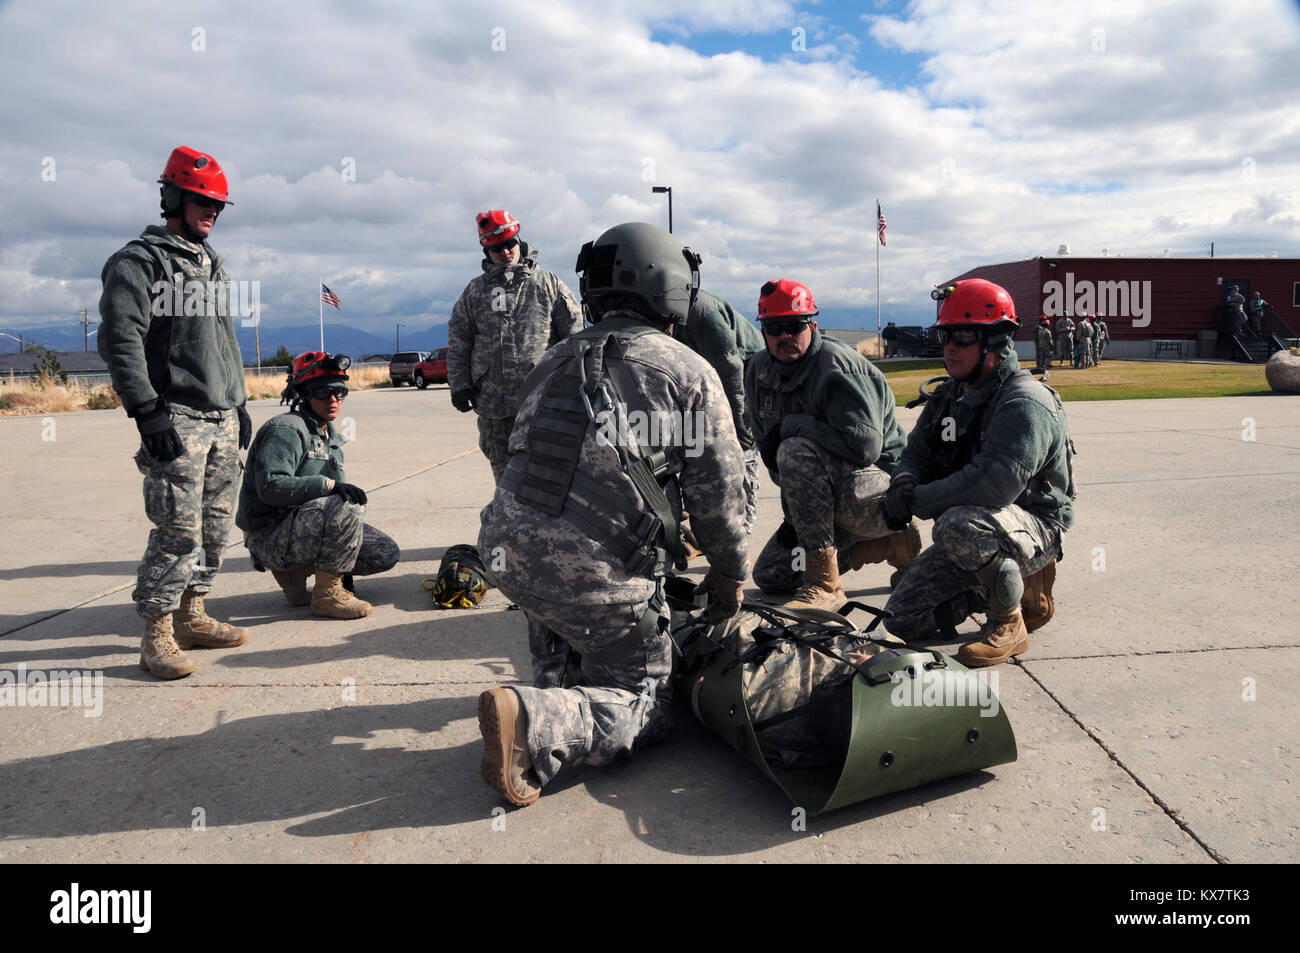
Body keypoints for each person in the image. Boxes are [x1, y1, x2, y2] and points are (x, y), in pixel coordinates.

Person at [476, 222, 749, 806]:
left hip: (511, 562)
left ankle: (558, 680)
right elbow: (721, 498)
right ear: (671, 285)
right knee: (650, 705)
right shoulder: (685, 370)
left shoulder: (552, 360)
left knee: (564, 600)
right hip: (593, 584)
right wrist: (729, 573)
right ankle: (535, 721)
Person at [97, 145, 251, 680]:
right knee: (177, 531)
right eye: (203, 202)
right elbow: (121, 340)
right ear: (173, 200)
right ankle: (156, 633)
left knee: (215, 528)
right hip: (177, 417)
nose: (213, 212)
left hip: (221, 417)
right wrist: (146, 410)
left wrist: (239, 400)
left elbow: (224, 341)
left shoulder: (212, 264)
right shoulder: (140, 262)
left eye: (218, 205)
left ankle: (192, 615)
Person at [881, 278, 1075, 667]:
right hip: (982, 527)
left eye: (964, 336)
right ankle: (1003, 587)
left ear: (996, 342)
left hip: (1034, 524)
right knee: (902, 619)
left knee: (955, 523)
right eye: (946, 335)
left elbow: (992, 485)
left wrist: (916, 501)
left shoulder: (1024, 402)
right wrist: (903, 482)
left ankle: (1009, 621)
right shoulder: (950, 395)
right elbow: (916, 451)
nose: (950, 346)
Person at [745, 279, 917, 611]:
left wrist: (797, 425)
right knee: (772, 575)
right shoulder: (758, 371)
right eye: (775, 328)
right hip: (823, 503)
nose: (785, 336)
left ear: (812, 326)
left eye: (795, 326)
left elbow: (865, 449)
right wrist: (798, 520)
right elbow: (770, 454)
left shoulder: (839, 368)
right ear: (764, 332)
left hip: (881, 495)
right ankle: (884, 546)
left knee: (793, 450)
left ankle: (825, 583)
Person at [236, 351, 399, 618]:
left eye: (340, 392)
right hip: (268, 535)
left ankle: (301, 573)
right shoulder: (287, 429)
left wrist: (343, 567)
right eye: (323, 392)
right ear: (303, 394)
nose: (333, 399)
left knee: (385, 551)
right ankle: (327, 594)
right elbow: (270, 487)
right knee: (345, 506)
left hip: (302, 527)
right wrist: (327, 485)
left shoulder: (330, 438)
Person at [447, 210, 583, 484]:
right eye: (497, 248)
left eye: (510, 244)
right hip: (493, 407)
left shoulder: (548, 284)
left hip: (541, 401)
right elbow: (459, 339)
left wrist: (575, 380)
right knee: (505, 479)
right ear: (487, 251)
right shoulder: (475, 292)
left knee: (546, 477)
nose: (506, 252)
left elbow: (574, 333)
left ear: (519, 241)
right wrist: (459, 385)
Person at [672, 287, 764, 535]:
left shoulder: (703, 313)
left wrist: (737, 422)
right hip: (707, 381)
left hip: (745, 379)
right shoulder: (658, 309)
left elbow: (730, 368)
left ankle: (741, 530)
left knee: (740, 453)